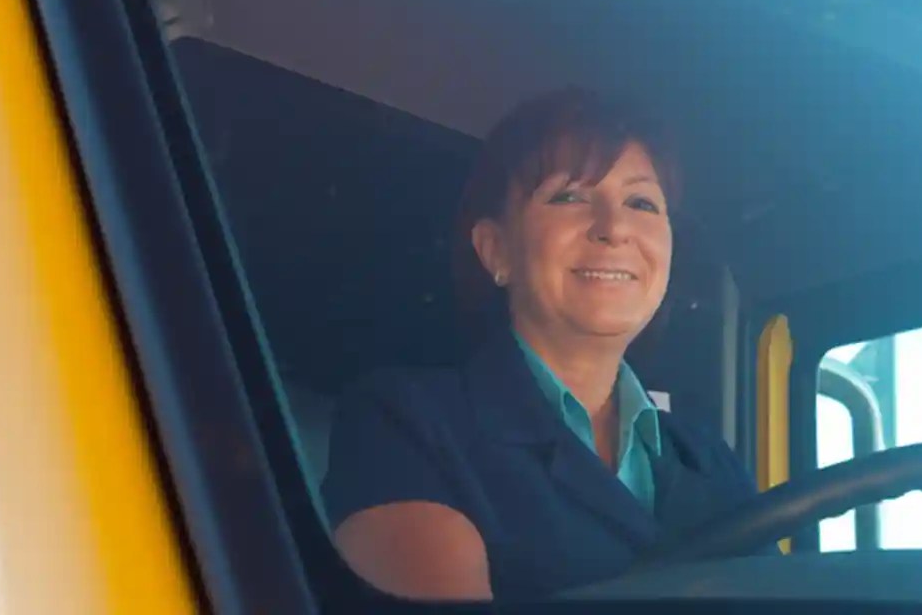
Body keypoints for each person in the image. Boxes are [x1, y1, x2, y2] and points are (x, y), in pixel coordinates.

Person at [321, 88, 761, 602]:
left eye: (641, 202)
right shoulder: (407, 422)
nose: (615, 228)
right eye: (569, 196)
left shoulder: (710, 458)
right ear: (496, 250)